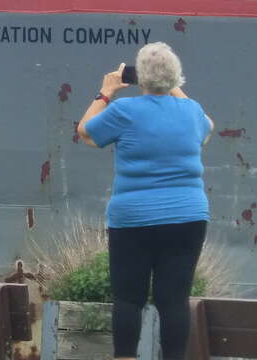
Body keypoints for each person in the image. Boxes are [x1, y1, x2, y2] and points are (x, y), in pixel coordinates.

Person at [76, 42, 214, 360]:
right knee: (174, 299)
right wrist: (173, 87)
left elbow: (85, 133)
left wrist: (105, 91)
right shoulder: (192, 112)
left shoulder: (125, 111)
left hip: (134, 219)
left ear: (141, 80)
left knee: (128, 299)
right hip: (188, 217)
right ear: (176, 77)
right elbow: (208, 129)